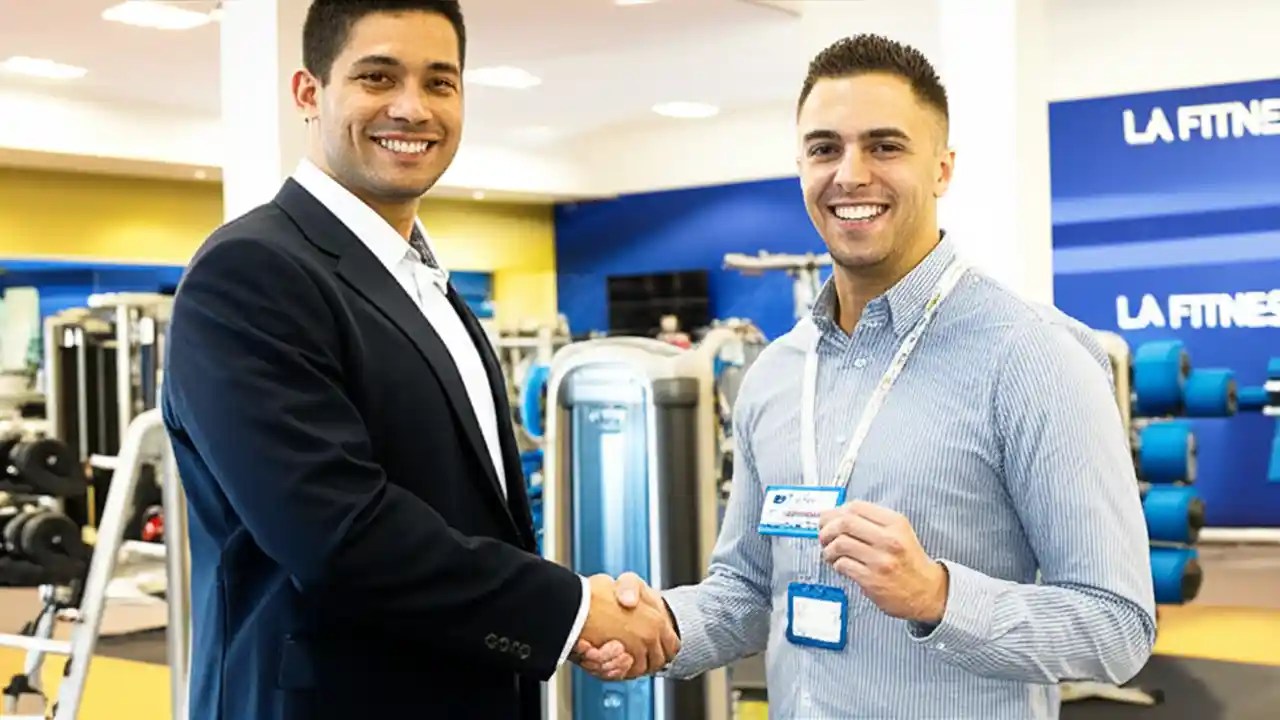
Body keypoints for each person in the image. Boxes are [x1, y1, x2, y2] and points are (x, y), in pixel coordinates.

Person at [576, 33, 1157, 718]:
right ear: (801, 167)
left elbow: (1118, 626)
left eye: (885, 146)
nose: (850, 174)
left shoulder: (1034, 357)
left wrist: (939, 596)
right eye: (825, 149)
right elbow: (747, 589)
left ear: (942, 169)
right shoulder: (777, 374)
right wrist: (666, 624)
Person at [160, 2, 676, 719]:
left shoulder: (420, 278)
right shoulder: (253, 270)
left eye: (440, 82)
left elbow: (465, 510)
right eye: (377, 77)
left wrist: (561, 613)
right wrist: (568, 610)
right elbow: (338, 534)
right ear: (309, 93)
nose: (412, 108)